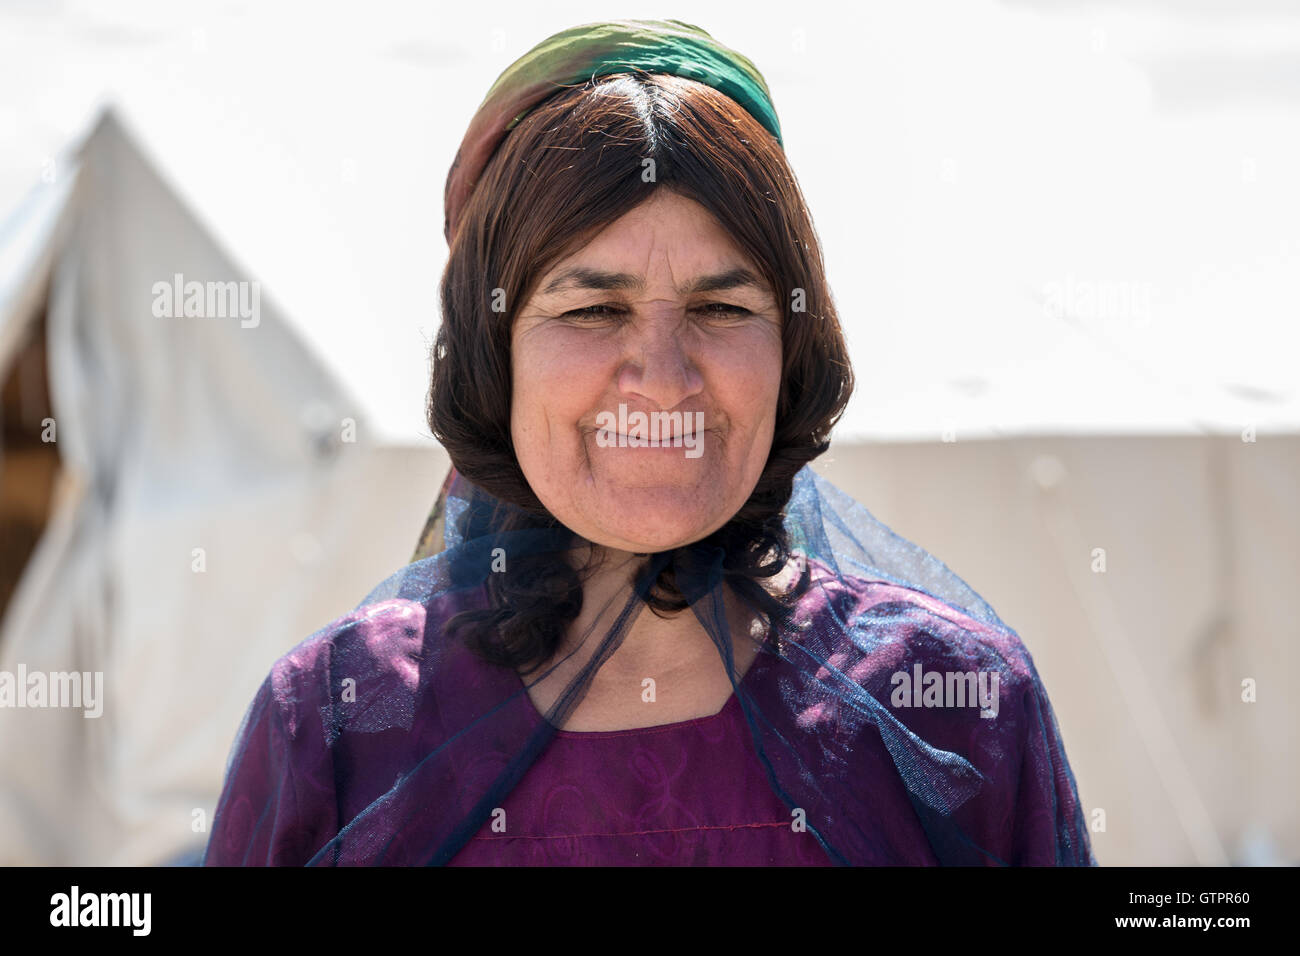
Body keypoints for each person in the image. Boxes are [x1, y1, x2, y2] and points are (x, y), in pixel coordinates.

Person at [203, 19, 1095, 866]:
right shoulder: (337, 725)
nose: (663, 380)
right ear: (493, 352)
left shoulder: (951, 707)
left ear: (793, 345)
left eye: (721, 308)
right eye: (593, 309)